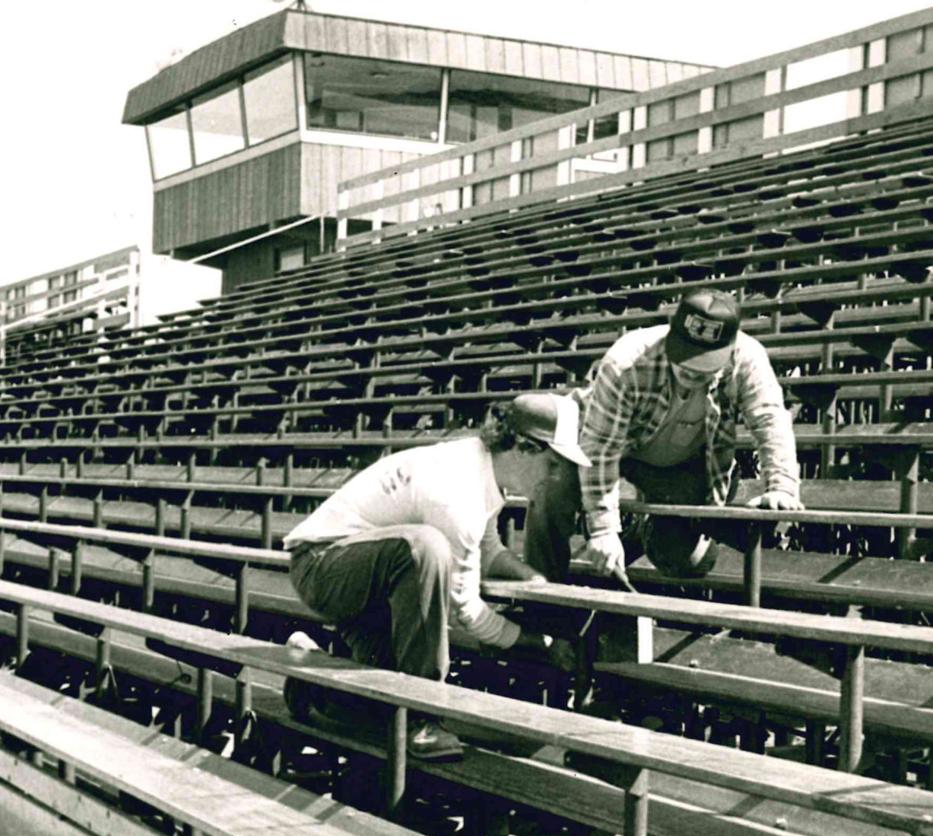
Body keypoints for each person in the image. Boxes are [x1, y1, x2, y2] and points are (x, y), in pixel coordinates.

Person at [282, 392, 591, 761]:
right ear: (524, 447)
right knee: (427, 547)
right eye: (553, 464)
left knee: (383, 707)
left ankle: (310, 684)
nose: (555, 477)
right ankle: (423, 719)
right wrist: (537, 643)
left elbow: (488, 548)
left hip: (369, 577)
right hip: (324, 565)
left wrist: (531, 578)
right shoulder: (458, 490)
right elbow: (467, 612)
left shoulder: (479, 466)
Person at [523, 288, 802, 586]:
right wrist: (603, 529)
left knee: (686, 560)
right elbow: (600, 448)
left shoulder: (749, 358)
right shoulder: (627, 360)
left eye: (705, 363)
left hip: (675, 466)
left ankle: (639, 535)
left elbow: (771, 421)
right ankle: (542, 595)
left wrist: (782, 487)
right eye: (685, 354)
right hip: (603, 436)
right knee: (553, 485)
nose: (691, 369)